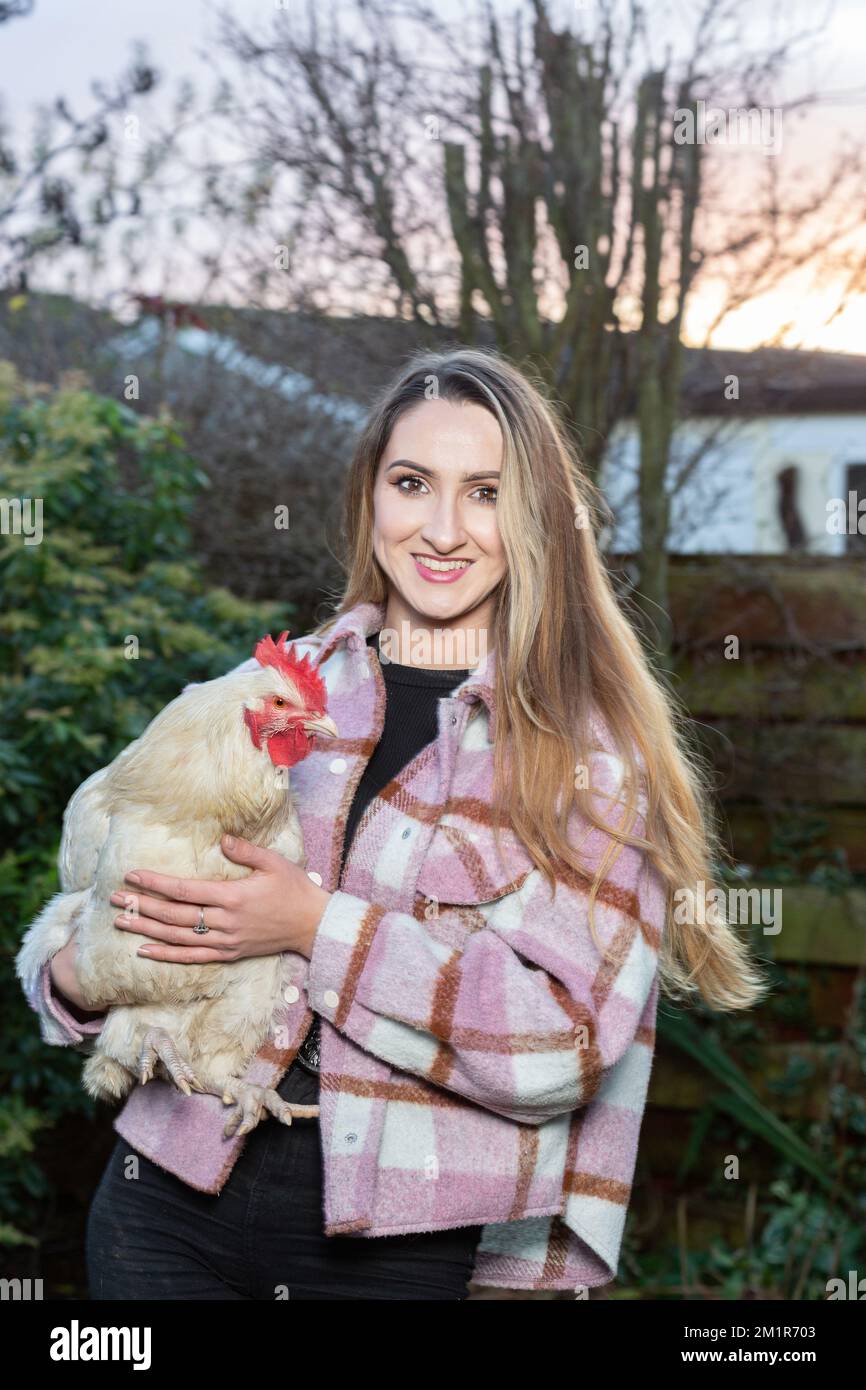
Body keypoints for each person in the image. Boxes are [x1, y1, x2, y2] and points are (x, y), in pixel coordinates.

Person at [26, 347, 769, 1300]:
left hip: (408, 1242)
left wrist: (314, 927)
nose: (443, 529)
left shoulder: (584, 758)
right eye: (412, 483)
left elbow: (564, 1043)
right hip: (164, 1205)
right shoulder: (271, 693)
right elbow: (103, 892)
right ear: (370, 495)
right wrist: (72, 976)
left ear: (537, 516)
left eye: (486, 493)